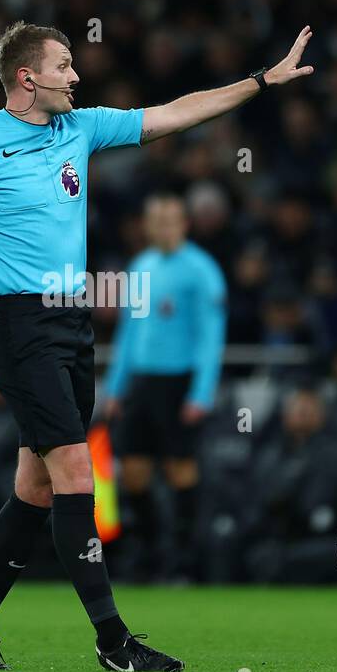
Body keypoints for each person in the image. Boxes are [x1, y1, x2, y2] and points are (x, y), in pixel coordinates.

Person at [0, 20, 315, 672]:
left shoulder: (82, 128)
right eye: (64, 65)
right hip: (18, 328)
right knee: (75, 474)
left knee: (37, 488)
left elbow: (175, 114)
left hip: (73, 328)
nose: (76, 75)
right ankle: (113, 642)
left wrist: (263, 80)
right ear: (27, 76)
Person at [104, 191, 226, 582]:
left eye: (169, 219)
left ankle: (185, 561)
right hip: (142, 380)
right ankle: (149, 552)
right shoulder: (141, 265)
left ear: (184, 224)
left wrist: (201, 392)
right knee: (134, 471)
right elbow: (128, 332)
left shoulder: (202, 270)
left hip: (180, 381)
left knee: (181, 470)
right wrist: (115, 387)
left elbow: (212, 335)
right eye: (154, 219)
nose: (161, 226)